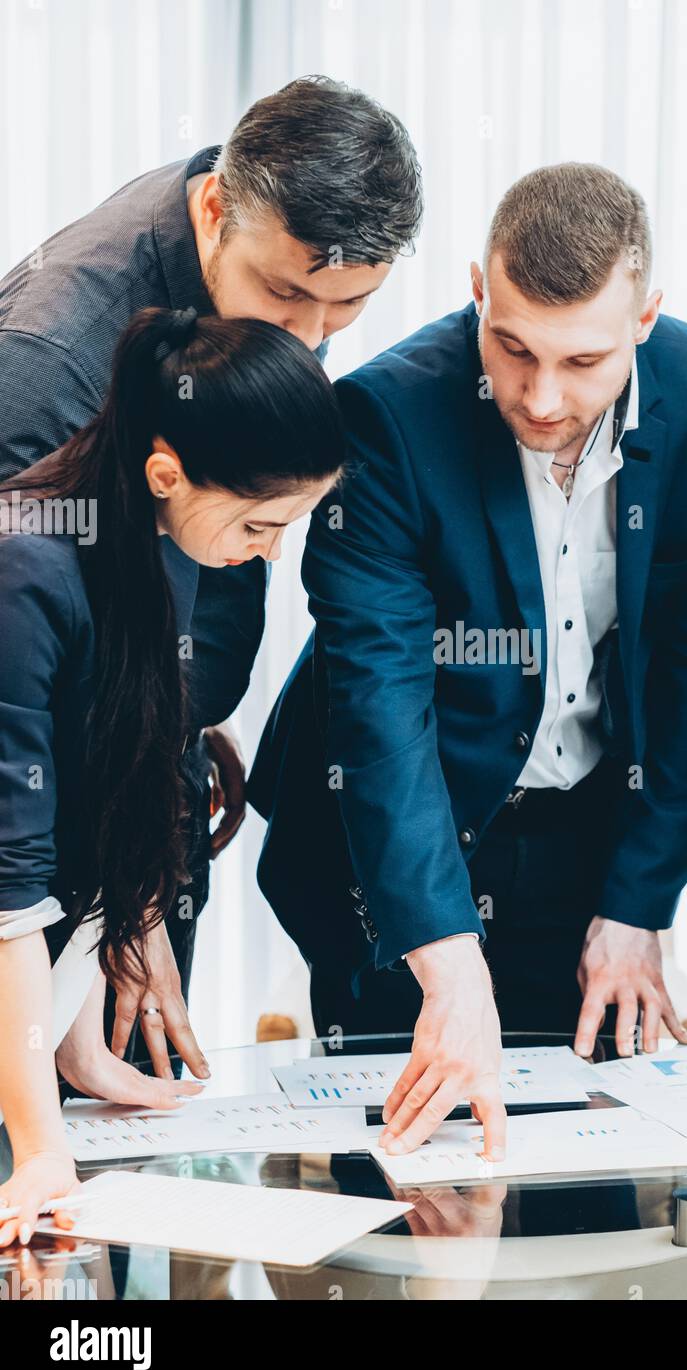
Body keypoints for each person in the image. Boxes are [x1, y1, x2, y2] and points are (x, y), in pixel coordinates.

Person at [251, 163, 687, 1157]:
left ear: (645, 318)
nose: (538, 395)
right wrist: (446, 966)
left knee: (585, 1172)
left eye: (582, 361)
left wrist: (636, 902)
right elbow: (378, 705)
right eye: (512, 347)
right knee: (406, 1181)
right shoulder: (385, 415)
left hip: (585, 835)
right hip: (389, 845)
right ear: (477, 288)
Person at [0, 73, 422, 1067]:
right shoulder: (53, 363)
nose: (307, 338)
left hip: (136, 807)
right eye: (284, 294)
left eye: (347, 306)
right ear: (209, 211)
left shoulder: (262, 275)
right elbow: (26, 693)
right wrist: (110, 901)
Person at [0, 305, 345, 1246]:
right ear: (167, 473)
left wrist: (82, 1054)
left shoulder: (161, 534)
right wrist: (38, 1143)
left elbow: (117, 779)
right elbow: (10, 894)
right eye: (262, 522)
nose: (271, 548)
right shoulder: (24, 573)